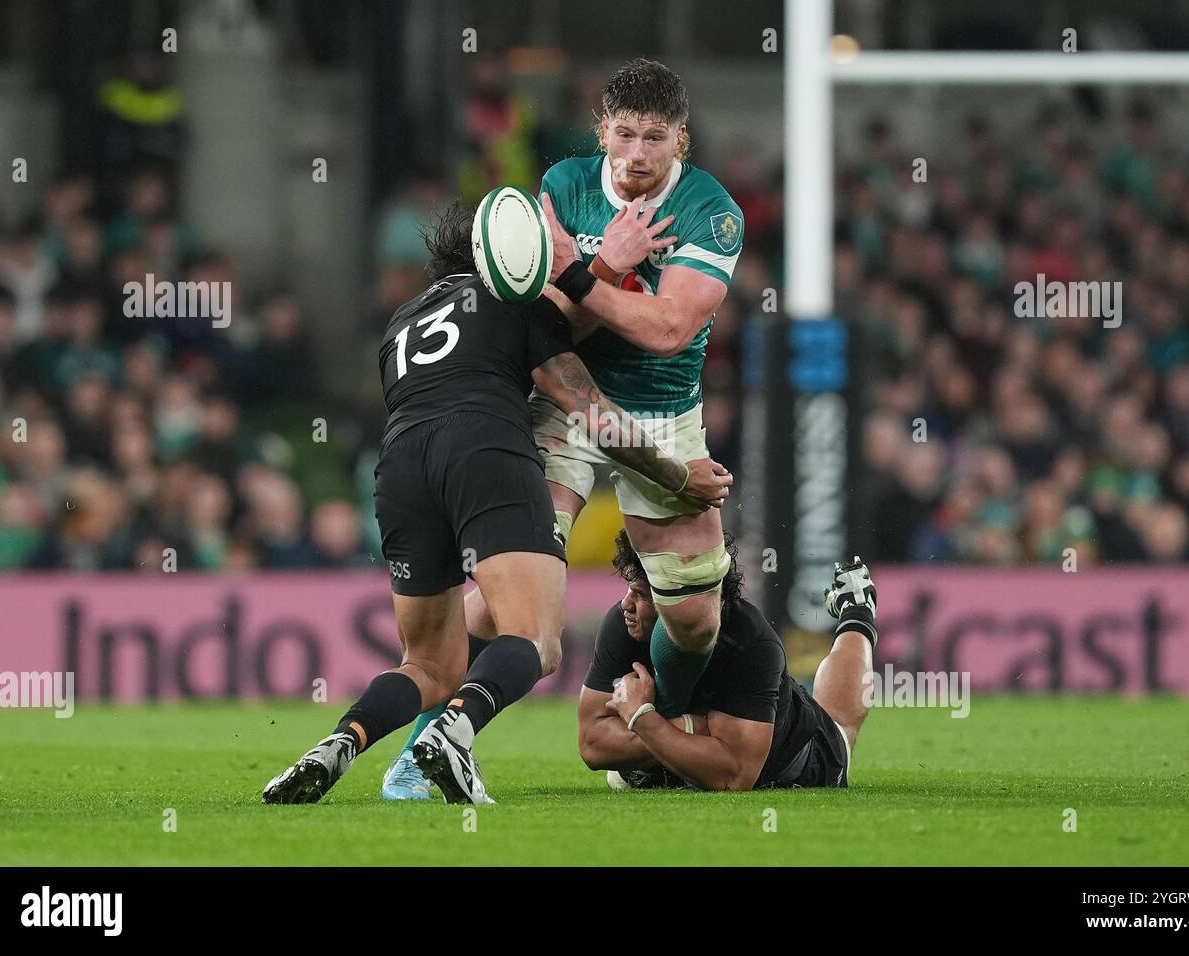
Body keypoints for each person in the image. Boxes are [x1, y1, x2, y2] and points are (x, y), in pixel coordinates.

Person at [262, 201, 731, 806]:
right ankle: (453, 734)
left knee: (429, 663)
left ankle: (341, 741)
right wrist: (673, 475)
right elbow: (591, 413)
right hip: (484, 448)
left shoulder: (400, 323)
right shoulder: (516, 304)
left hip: (400, 465)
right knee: (535, 641)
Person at [462, 57, 747, 736]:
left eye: (654, 138)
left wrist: (581, 274)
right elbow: (547, 325)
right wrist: (611, 265)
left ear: (680, 138)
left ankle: (658, 721)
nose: (637, 153)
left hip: (661, 410)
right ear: (601, 132)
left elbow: (670, 329)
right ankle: (428, 743)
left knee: (694, 619)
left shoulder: (712, 210)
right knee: (512, 595)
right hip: (565, 400)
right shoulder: (563, 185)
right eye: (624, 134)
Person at [577, 532, 878, 791]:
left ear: (676, 600)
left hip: (798, 758)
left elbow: (733, 776)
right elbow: (592, 744)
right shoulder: (625, 622)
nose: (626, 604)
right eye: (630, 588)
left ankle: (858, 611)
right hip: (682, 758)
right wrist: (690, 730)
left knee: (841, 725)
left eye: (642, 594)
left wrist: (641, 718)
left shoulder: (751, 641)